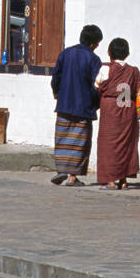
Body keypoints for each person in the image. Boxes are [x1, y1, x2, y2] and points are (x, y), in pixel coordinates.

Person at [50, 24, 103, 186]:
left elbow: (55, 79)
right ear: (93, 43)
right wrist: (96, 104)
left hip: (64, 104)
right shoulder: (93, 59)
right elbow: (97, 85)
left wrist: (58, 94)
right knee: (79, 142)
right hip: (83, 106)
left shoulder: (65, 54)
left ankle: (61, 171)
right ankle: (73, 177)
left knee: (62, 139)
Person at [94, 38, 140, 190]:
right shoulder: (133, 71)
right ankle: (123, 180)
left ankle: (110, 181)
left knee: (108, 145)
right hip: (128, 109)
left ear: (110, 53)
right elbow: (136, 90)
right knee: (126, 144)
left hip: (111, 110)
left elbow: (97, 85)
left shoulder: (105, 69)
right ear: (127, 53)